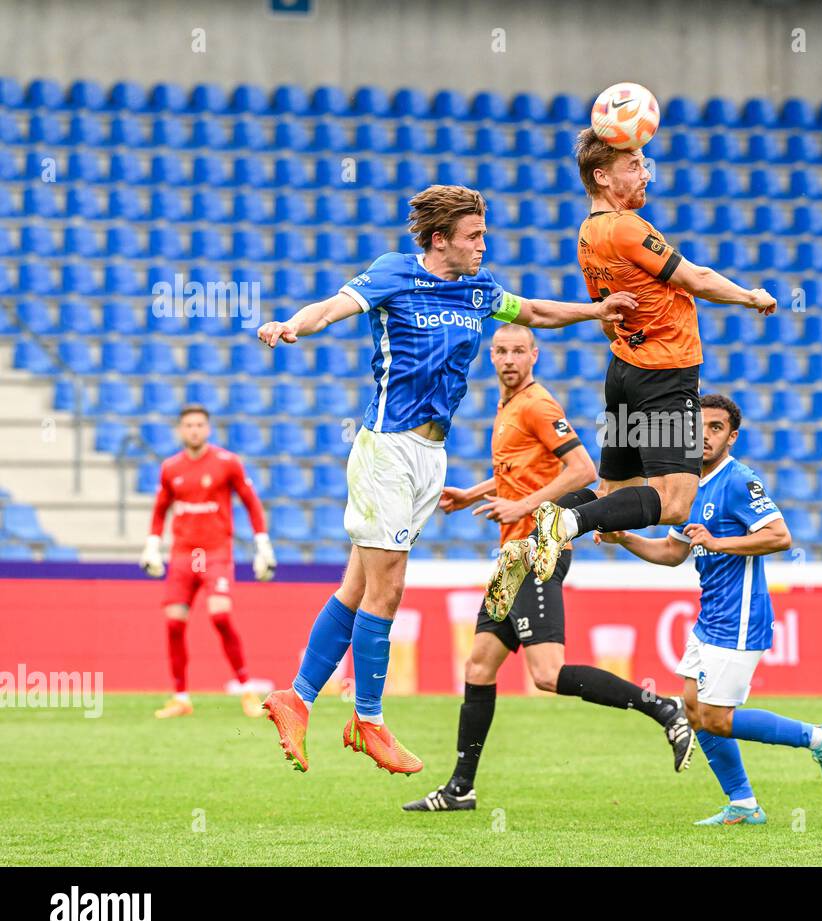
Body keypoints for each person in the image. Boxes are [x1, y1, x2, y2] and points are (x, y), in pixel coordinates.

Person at [254, 184, 635, 775]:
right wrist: (292, 324)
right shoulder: (394, 275)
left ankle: (296, 698)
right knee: (388, 590)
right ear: (440, 240)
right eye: (474, 236)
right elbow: (332, 306)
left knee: (357, 588)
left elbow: (534, 312)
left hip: (433, 456)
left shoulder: (479, 291)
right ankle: (368, 720)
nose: (484, 245)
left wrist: (596, 311)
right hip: (388, 449)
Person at [484, 129, 777, 620]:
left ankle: (540, 532)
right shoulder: (625, 228)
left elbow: (607, 314)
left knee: (615, 494)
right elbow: (696, 278)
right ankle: (564, 522)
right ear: (602, 177)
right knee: (677, 503)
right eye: (633, 164)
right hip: (664, 377)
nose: (645, 171)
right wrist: (751, 296)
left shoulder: (586, 232)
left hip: (624, 372)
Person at [403, 322, 694, 812]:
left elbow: (581, 471)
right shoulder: (507, 406)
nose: (509, 359)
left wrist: (522, 510)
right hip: (511, 558)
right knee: (477, 665)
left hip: (537, 552)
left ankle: (664, 709)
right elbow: (524, 475)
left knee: (546, 673)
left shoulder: (537, 404)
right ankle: (460, 788)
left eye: (519, 350)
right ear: (490, 355)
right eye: (501, 351)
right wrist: (473, 494)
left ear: (534, 354)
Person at [597, 394, 822, 825]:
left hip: (741, 617)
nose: (706, 436)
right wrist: (626, 540)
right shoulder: (687, 484)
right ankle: (744, 805)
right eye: (700, 427)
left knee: (715, 718)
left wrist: (716, 542)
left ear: (731, 437)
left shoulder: (738, 480)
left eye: (716, 428)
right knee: (694, 712)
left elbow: (780, 536)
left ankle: (819, 737)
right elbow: (675, 552)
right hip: (710, 615)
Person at [140, 403, 276, 719]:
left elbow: (251, 502)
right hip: (184, 555)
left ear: (208, 428)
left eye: (200, 425)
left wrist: (262, 544)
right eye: (188, 425)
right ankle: (181, 697)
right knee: (174, 622)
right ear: (180, 430)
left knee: (220, 616)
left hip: (215, 553)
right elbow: (161, 509)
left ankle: (246, 690)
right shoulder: (170, 468)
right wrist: (152, 544)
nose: (194, 430)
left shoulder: (227, 463)